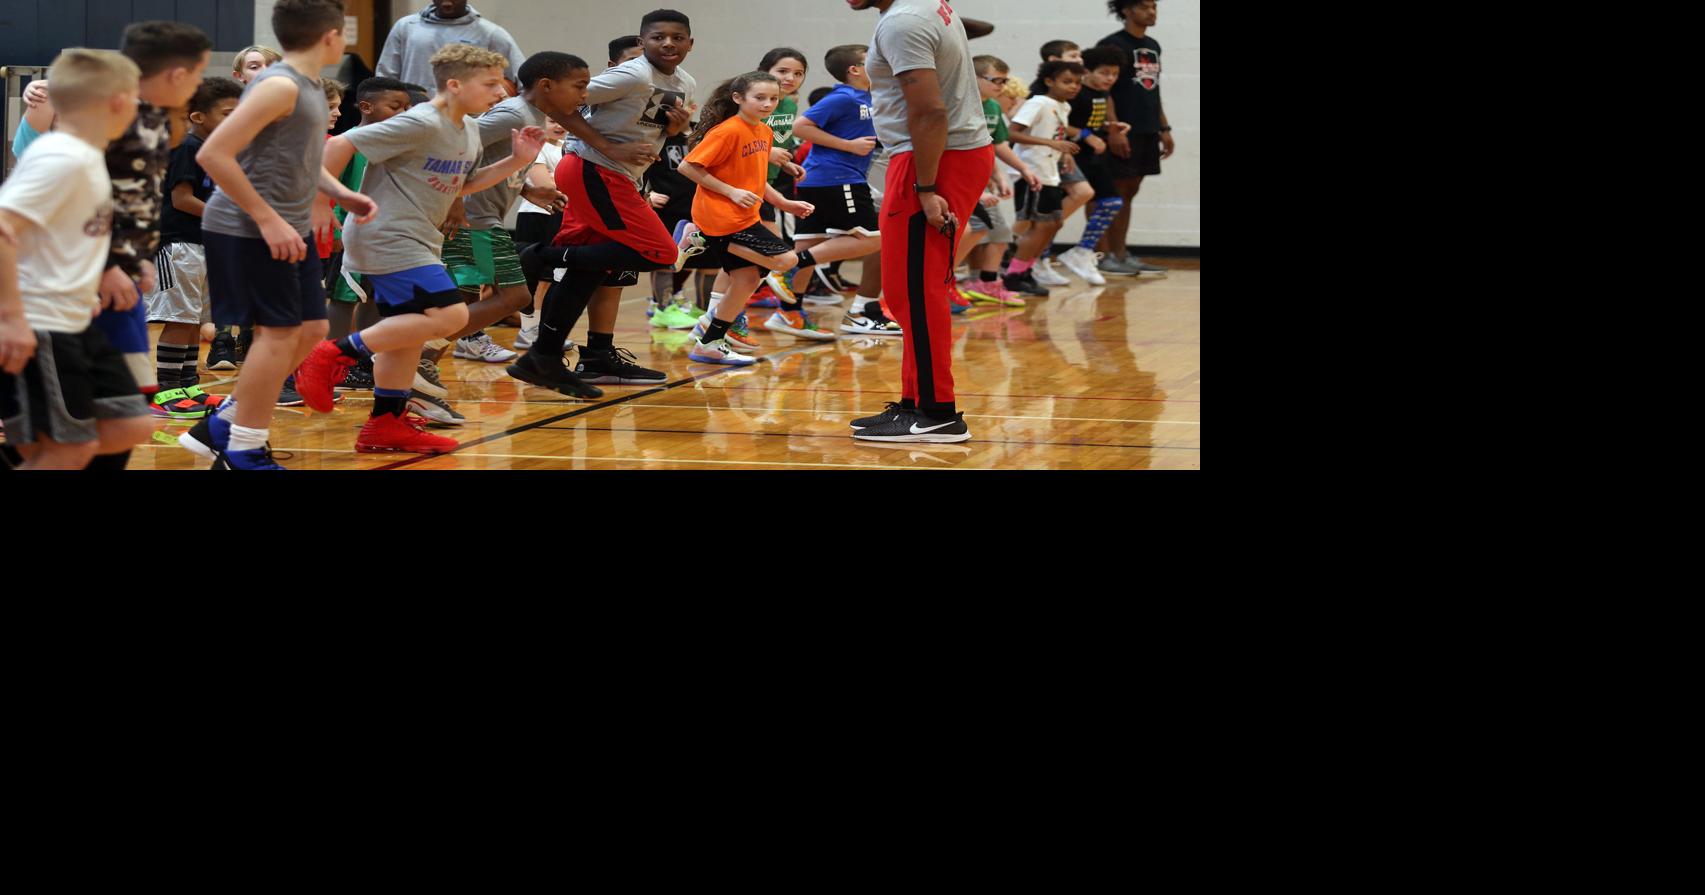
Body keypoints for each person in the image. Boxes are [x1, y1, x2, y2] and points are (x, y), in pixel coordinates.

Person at [294, 44, 548, 453]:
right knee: (450, 315)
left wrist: (516, 161)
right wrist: (323, 201)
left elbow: (462, 186)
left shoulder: (468, 129)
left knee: (406, 339)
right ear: (455, 84)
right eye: (490, 84)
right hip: (386, 233)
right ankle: (333, 353)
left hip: (419, 237)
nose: (501, 93)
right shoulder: (420, 121)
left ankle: (386, 424)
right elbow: (339, 146)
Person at [189, 0, 376, 470]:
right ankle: (243, 448)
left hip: (288, 225)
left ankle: (223, 423)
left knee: (311, 329)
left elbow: (303, 160)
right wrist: (267, 219)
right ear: (331, 35)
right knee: (279, 333)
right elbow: (213, 155)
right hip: (248, 226)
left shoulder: (310, 87)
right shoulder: (279, 85)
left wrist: (341, 194)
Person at [510, 9, 698, 393]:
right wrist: (608, 147)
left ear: (690, 44)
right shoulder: (633, 74)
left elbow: (648, 129)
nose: (668, 43)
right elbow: (556, 103)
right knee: (662, 253)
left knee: (589, 269)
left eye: (677, 37)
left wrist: (675, 131)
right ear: (642, 42)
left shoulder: (684, 82)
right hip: (594, 170)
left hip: (616, 175)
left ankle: (546, 358)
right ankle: (537, 255)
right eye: (658, 37)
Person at [847, 0, 994, 444]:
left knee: (918, 291)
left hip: (931, 159)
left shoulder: (904, 21)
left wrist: (926, 189)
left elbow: (929, 112)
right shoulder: (924, 8)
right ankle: (914, 404)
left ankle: (939, 413)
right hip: (940, 155)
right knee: (906, 290)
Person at [0, 49, 154, 469]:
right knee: (70, 447)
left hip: (76, 320)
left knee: (129, 425)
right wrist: (11, 318)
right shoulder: (61, 158)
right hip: (40, 321)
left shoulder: (87, 157)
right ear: (118, 101)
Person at [440, 52, 588, 369]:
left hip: (480, 215)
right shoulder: (514, 114)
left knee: (466, 295)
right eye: (579, 86)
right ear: (547, 85)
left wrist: (527, 190)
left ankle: (425, 357)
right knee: (516, 297)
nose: (584, 94)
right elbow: (454, 146)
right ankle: (418, 344)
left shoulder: (531, 116)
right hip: (473, 217)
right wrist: (454, 201)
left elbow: (492, 160)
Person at [104, 21, 213, 441]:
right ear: (178, 75)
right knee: (77, 431)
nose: (199, 86)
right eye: (198, 74)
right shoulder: (115, 125)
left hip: (127, 271)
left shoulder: (157, 130)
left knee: (120, 427)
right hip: (85, 284)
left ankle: (174, 389)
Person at [676, 72, 814, 365]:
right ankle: (701, 237)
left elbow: (756, 178)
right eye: (759, 98)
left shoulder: (763, 132)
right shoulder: (728, 131)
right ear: (738, 98)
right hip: (721, 216)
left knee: (748, 279)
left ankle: (709, 343)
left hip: (744, 215)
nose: (767, 104)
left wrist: (783, 203)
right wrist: (731, 191)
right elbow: (688, 167)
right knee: (786, 260)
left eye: (773, 99)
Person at [146, 75, 244, 416]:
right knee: (178, 319)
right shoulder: (187, 147)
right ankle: (166, 391)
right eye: (228, 113)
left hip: (202, 245)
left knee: (191, 320)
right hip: (178, 246)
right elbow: (182, 199)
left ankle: (189, 386)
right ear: (198, 116)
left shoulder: (217, 150)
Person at [782, 44, 888, 336]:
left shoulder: (867, 97)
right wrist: (848, 146)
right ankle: (788, 266)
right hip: (837, 178)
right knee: (873, 239)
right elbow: (801, 127)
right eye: (873, 60)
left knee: (808, 244)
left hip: (820, 180)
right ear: (854, 70)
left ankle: (789, 313)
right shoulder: (844, 97)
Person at [322, 76, 414, 396]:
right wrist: (336, 227)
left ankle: (364, 359)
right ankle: (330, 363)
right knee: (344, 298)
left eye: (407, 107)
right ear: (366, 107)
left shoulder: (397, 145)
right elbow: (331, 189)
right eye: (395, 106)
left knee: (374, 297)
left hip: (385, 233)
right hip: (350, 233)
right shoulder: (348, 143)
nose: (404, 112)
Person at [1097, 0, 1173, 276]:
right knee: (1115, 192)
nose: (1152, 12)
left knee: (1130, 191)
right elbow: (1103, 89)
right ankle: (1104, 255)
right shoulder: (1112, 44)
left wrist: (1164, 127)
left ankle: (1121, 253)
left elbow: (1154, 89)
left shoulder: (1153, 45)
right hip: (1123, 129)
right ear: (1127, 10)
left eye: (1154, 6)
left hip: (1147, 128)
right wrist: (1113, 128)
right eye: (1144, 7)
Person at [956, 55, 1036, 308]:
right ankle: (942, 282)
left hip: (979, 183)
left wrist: (1014, 171)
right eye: (996, 80)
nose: (1001, 86)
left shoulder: (992, 107)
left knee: (998, 232)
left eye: (1004, 81)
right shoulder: (960, 106)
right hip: (957, 182)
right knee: (970, 231)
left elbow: (995, 145)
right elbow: (955, 151)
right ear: (974, 78)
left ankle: (987, 283)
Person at [1003, 61, 1085, 298]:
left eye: (1077, 82)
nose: (1074, 86)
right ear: (1049, 81)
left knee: (1053, 224)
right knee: (1039, 225)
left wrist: (1064, 153)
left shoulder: (1063, 106)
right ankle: (1013, 276)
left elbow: (1055, 136)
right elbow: (1011, 133)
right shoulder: (1038, 102)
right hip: (1032, 173)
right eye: (1067, 81)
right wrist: (1051, 144)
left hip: (1049, 172)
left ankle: (1025, 270)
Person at [1052, 45, 1131, 287]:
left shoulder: (1103, 93)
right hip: (1070, 155)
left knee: (1111, 201)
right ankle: (1038, 257)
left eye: (1114, 74)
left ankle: (1083, 251)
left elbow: (1090, 121)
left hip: (1092, 157)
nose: (1110, 78)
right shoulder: (1076, 93)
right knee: (1054, 212)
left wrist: (1110, 127)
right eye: (1104, 73)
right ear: (1088, 71)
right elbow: (1060, 123)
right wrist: (1086, 135)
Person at [376, 1, 526, 95]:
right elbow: (386, 76)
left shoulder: (490, 33)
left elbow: (524, 80)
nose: (447, 2)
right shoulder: (406, 26)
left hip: (468, 117)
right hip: (413, 114)